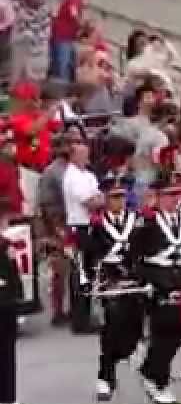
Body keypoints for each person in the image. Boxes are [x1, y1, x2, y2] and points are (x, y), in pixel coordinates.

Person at [135, 174, 181, 404]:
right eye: (169, 195)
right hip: (159, 279)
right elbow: (136, 255)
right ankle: (157, 378)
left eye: (176, 195)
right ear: (158, 197)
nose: (174, 200)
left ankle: (152, 370)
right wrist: (146, 282)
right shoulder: (147, 222)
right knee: (164, 331)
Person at [85, 174, 143, 401]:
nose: (118, 202)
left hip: (134, 278)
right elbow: (89, 254)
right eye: (113, 198)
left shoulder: (136, 219)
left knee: (135, 326)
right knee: (111, 330)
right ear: (106, 200)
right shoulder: (97, 225)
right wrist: (89, 280)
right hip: (110, 280)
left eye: (121, 197)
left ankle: (125, 353)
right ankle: (105, 377)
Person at [62, 134, 102, 335]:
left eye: (88, 153)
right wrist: (98, 200)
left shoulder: (88, 175)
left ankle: (87, 314)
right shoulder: (72, 177)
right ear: (73, 157)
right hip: (79, 228)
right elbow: (92, 202)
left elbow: (99, 196)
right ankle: (80, 320)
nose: (88, 157)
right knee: (81, 273)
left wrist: (99, 199)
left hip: (91, 226)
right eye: (83, 154)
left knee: (90, 271)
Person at [0, 205, 23, 404]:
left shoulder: (6, 245)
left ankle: (7, 396)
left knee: (7, 350)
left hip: (7, 302)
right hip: (3, 301)